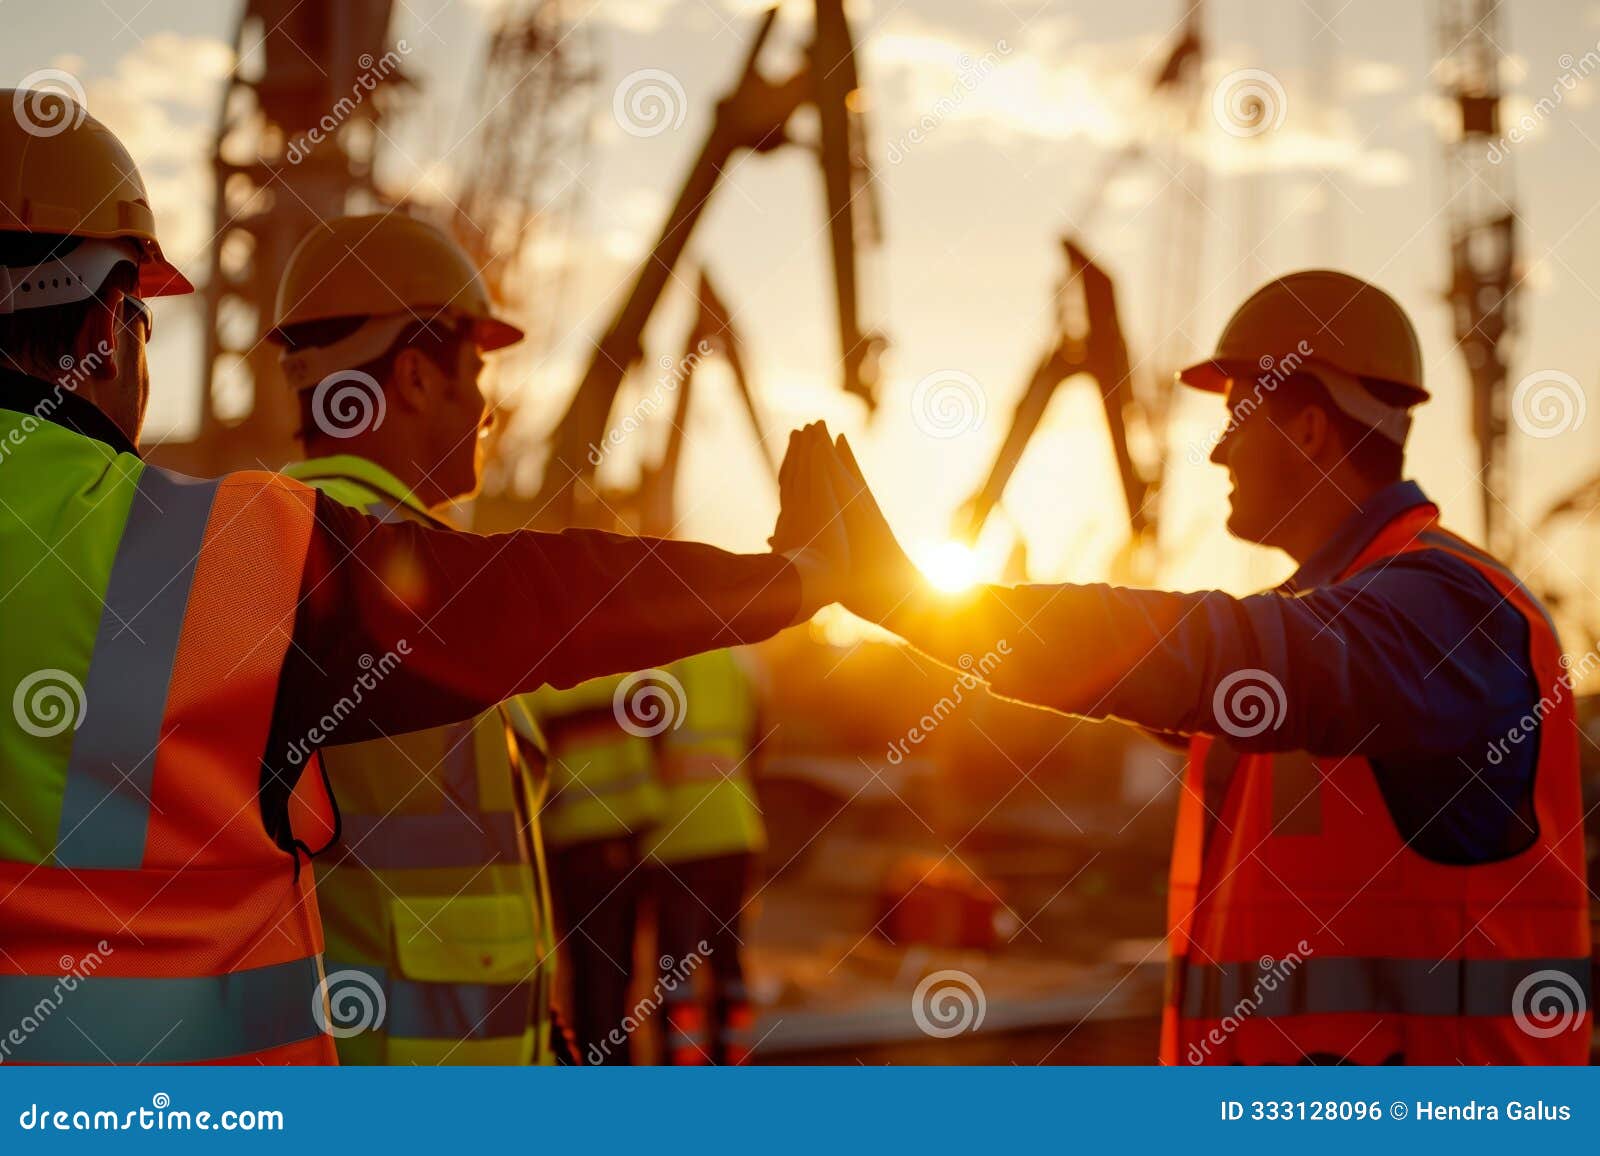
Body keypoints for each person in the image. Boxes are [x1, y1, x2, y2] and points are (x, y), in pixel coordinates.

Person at [0, 91, 837, 1065]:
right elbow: (540, 597)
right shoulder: (206, 556)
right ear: (108, 324)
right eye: (141, 312)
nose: (489, 404)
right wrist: (794, 576)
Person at [778, 271, 1592, 1065]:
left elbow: (1193, 651)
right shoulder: (1339, 620)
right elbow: (1156, 673)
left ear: (1310, 431)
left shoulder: (1451, 611)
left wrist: (913, 602)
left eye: (1239, 415)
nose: (1218, 452)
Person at [269, 214, 572, 1064]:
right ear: (412, 377)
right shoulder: (376, 572)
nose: (487, 402)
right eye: (474, 370)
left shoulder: (266, 553)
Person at [528, 671, 663, 1065]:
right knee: (620, 972)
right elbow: (659, 743)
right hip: (626, 839)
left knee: (589, 977)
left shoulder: (541, 686)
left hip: (575, 846)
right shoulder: (633, 672)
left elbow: (533, 771)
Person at [642, 648, 766, 1066]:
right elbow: (759, 742)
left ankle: (680, 1061)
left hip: (677, 831)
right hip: (735, 826)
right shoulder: (740, 665)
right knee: (728, 954)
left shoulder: (658, 666)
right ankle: (732, 1055)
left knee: (675, 959)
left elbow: (645, 747)